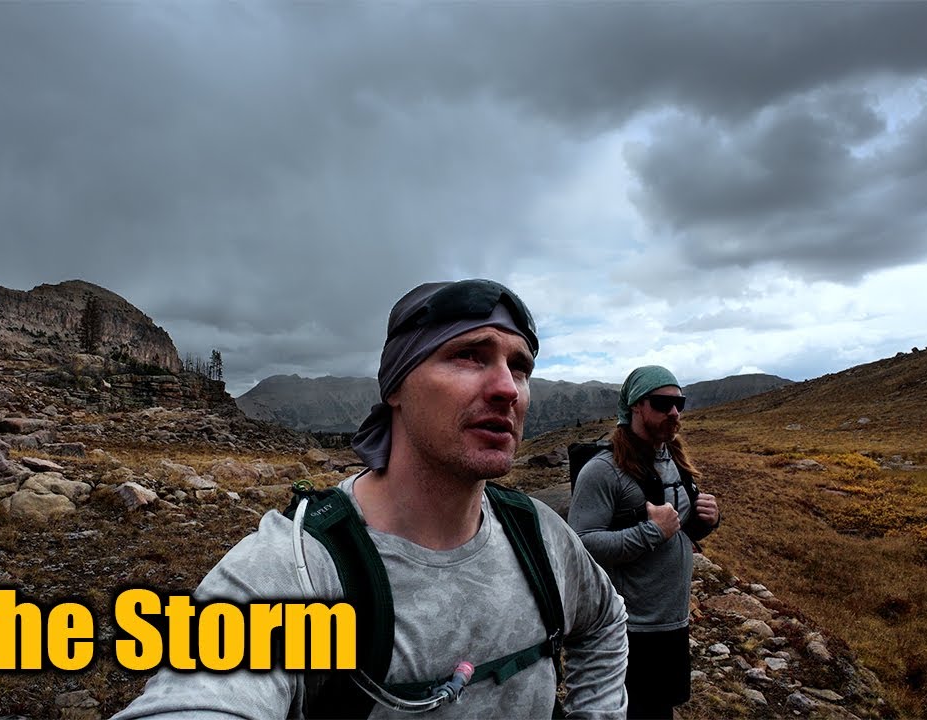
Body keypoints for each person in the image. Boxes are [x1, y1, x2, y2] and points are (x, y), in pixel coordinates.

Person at [114, 279, 628, 719]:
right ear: (396, 388)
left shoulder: (538, 533)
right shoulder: (298, 567)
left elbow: (605, 620)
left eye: (520, 368)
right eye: (468, 356)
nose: (506, 389)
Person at [566, 366, 720, 720]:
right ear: (636, 407)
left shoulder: (673, 461)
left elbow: (679, 531)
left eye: (679, 403)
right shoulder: (603, 471)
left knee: (660, 709)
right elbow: (582, 545)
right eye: (662, 403)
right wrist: (652, 532)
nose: (674, 412)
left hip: (672, 620)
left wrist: (709, 520)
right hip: (629, 626)